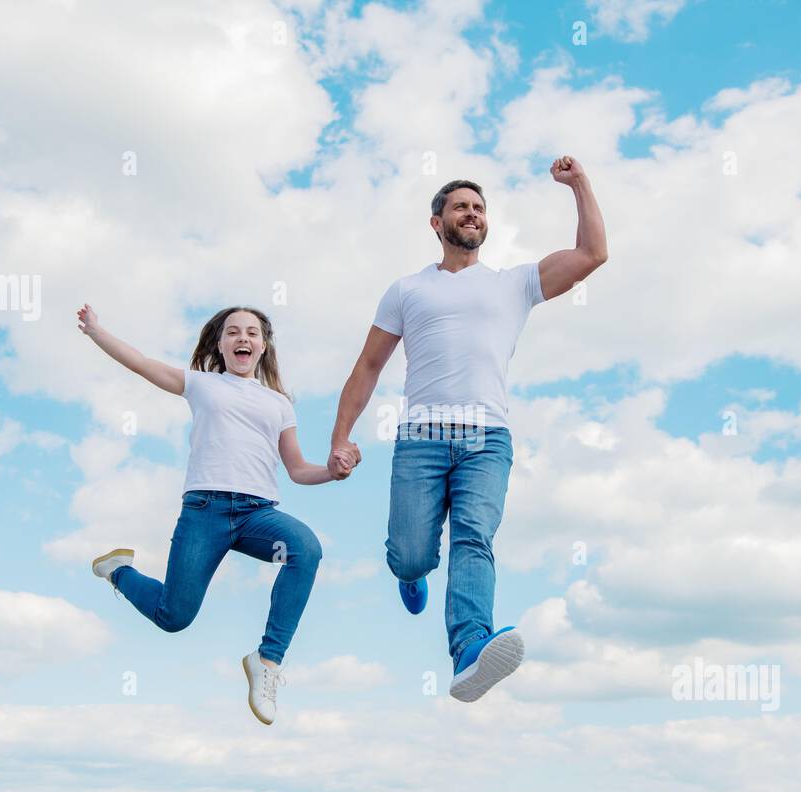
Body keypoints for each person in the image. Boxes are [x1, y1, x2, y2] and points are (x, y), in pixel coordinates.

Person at [327, 155, 608, 702]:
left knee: (473, 539)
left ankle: (470, 649)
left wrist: (580, 185)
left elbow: (592, 254)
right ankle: (411, 573)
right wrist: (341, 437)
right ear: (438, 223)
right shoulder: (407, 290)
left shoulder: (515, 283)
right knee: (411, 554)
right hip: (421, 441)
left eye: (479, 207)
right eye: (461, 206)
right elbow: (368, 366)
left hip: (488, 439)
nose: (472, 214)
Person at [76, 302, 352, 725]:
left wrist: (332, 472)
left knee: (305, 549)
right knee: (174, 617)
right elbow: (143, 364)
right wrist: (97, 332)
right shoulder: (202, 385)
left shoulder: (279, 403)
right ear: (220, 344)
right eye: (233, 332)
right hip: (205, 512)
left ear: (263, 346)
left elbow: (297, 469)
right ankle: (119, 571)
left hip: (256, 515)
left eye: (252, 333)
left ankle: (268, 660)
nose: (243, 338)